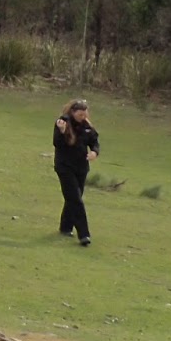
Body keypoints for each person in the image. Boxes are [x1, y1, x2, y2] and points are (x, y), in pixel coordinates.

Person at [53, 97, 100, 246]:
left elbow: (94, 141)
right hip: (65, 167)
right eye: (80, 115)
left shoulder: (87, 126)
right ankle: (84, 234)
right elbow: (57, 144)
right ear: (73, 112)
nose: (83, 117)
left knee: (74, 197)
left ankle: (65, 227)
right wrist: (61, 131)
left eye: (85, 114)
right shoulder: (63, 122)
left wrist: (94, 152)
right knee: (75, 199)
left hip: (81, 167)